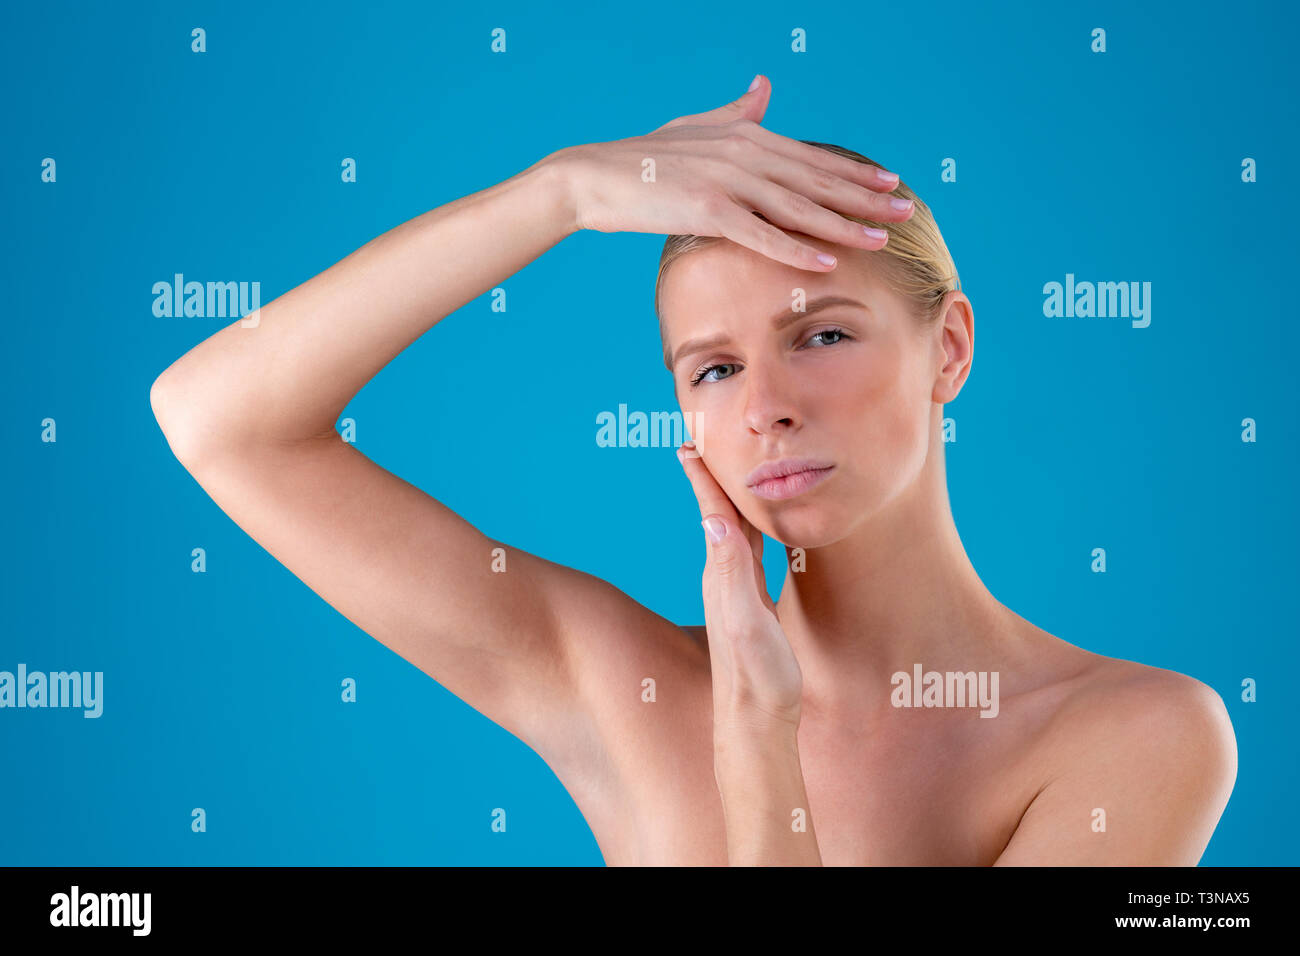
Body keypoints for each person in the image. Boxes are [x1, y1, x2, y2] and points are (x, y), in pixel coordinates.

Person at [150, 74, 1237, 866]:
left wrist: (761, 749)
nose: (764, 405)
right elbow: (216, 419)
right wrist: (558, 194)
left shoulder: (1138, 735)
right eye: (713, 367)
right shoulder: (618, 685)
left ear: (947, 347)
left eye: (820, 336)